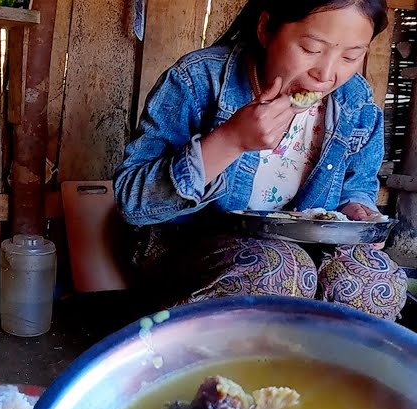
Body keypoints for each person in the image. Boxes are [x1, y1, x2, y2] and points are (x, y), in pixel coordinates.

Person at [115, 0, 406, 321]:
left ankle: (313, 364)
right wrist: (229, 141)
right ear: (266, 28)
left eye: (351, 56)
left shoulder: (356, 100)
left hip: (305, 252)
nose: (326, 74)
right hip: (188, 247)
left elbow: (358, 187)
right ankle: (198, 356)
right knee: (280, 271)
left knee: (374, 282)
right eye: (310, 49)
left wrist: (356, 210)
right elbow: (133, 204)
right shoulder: (198, 80)